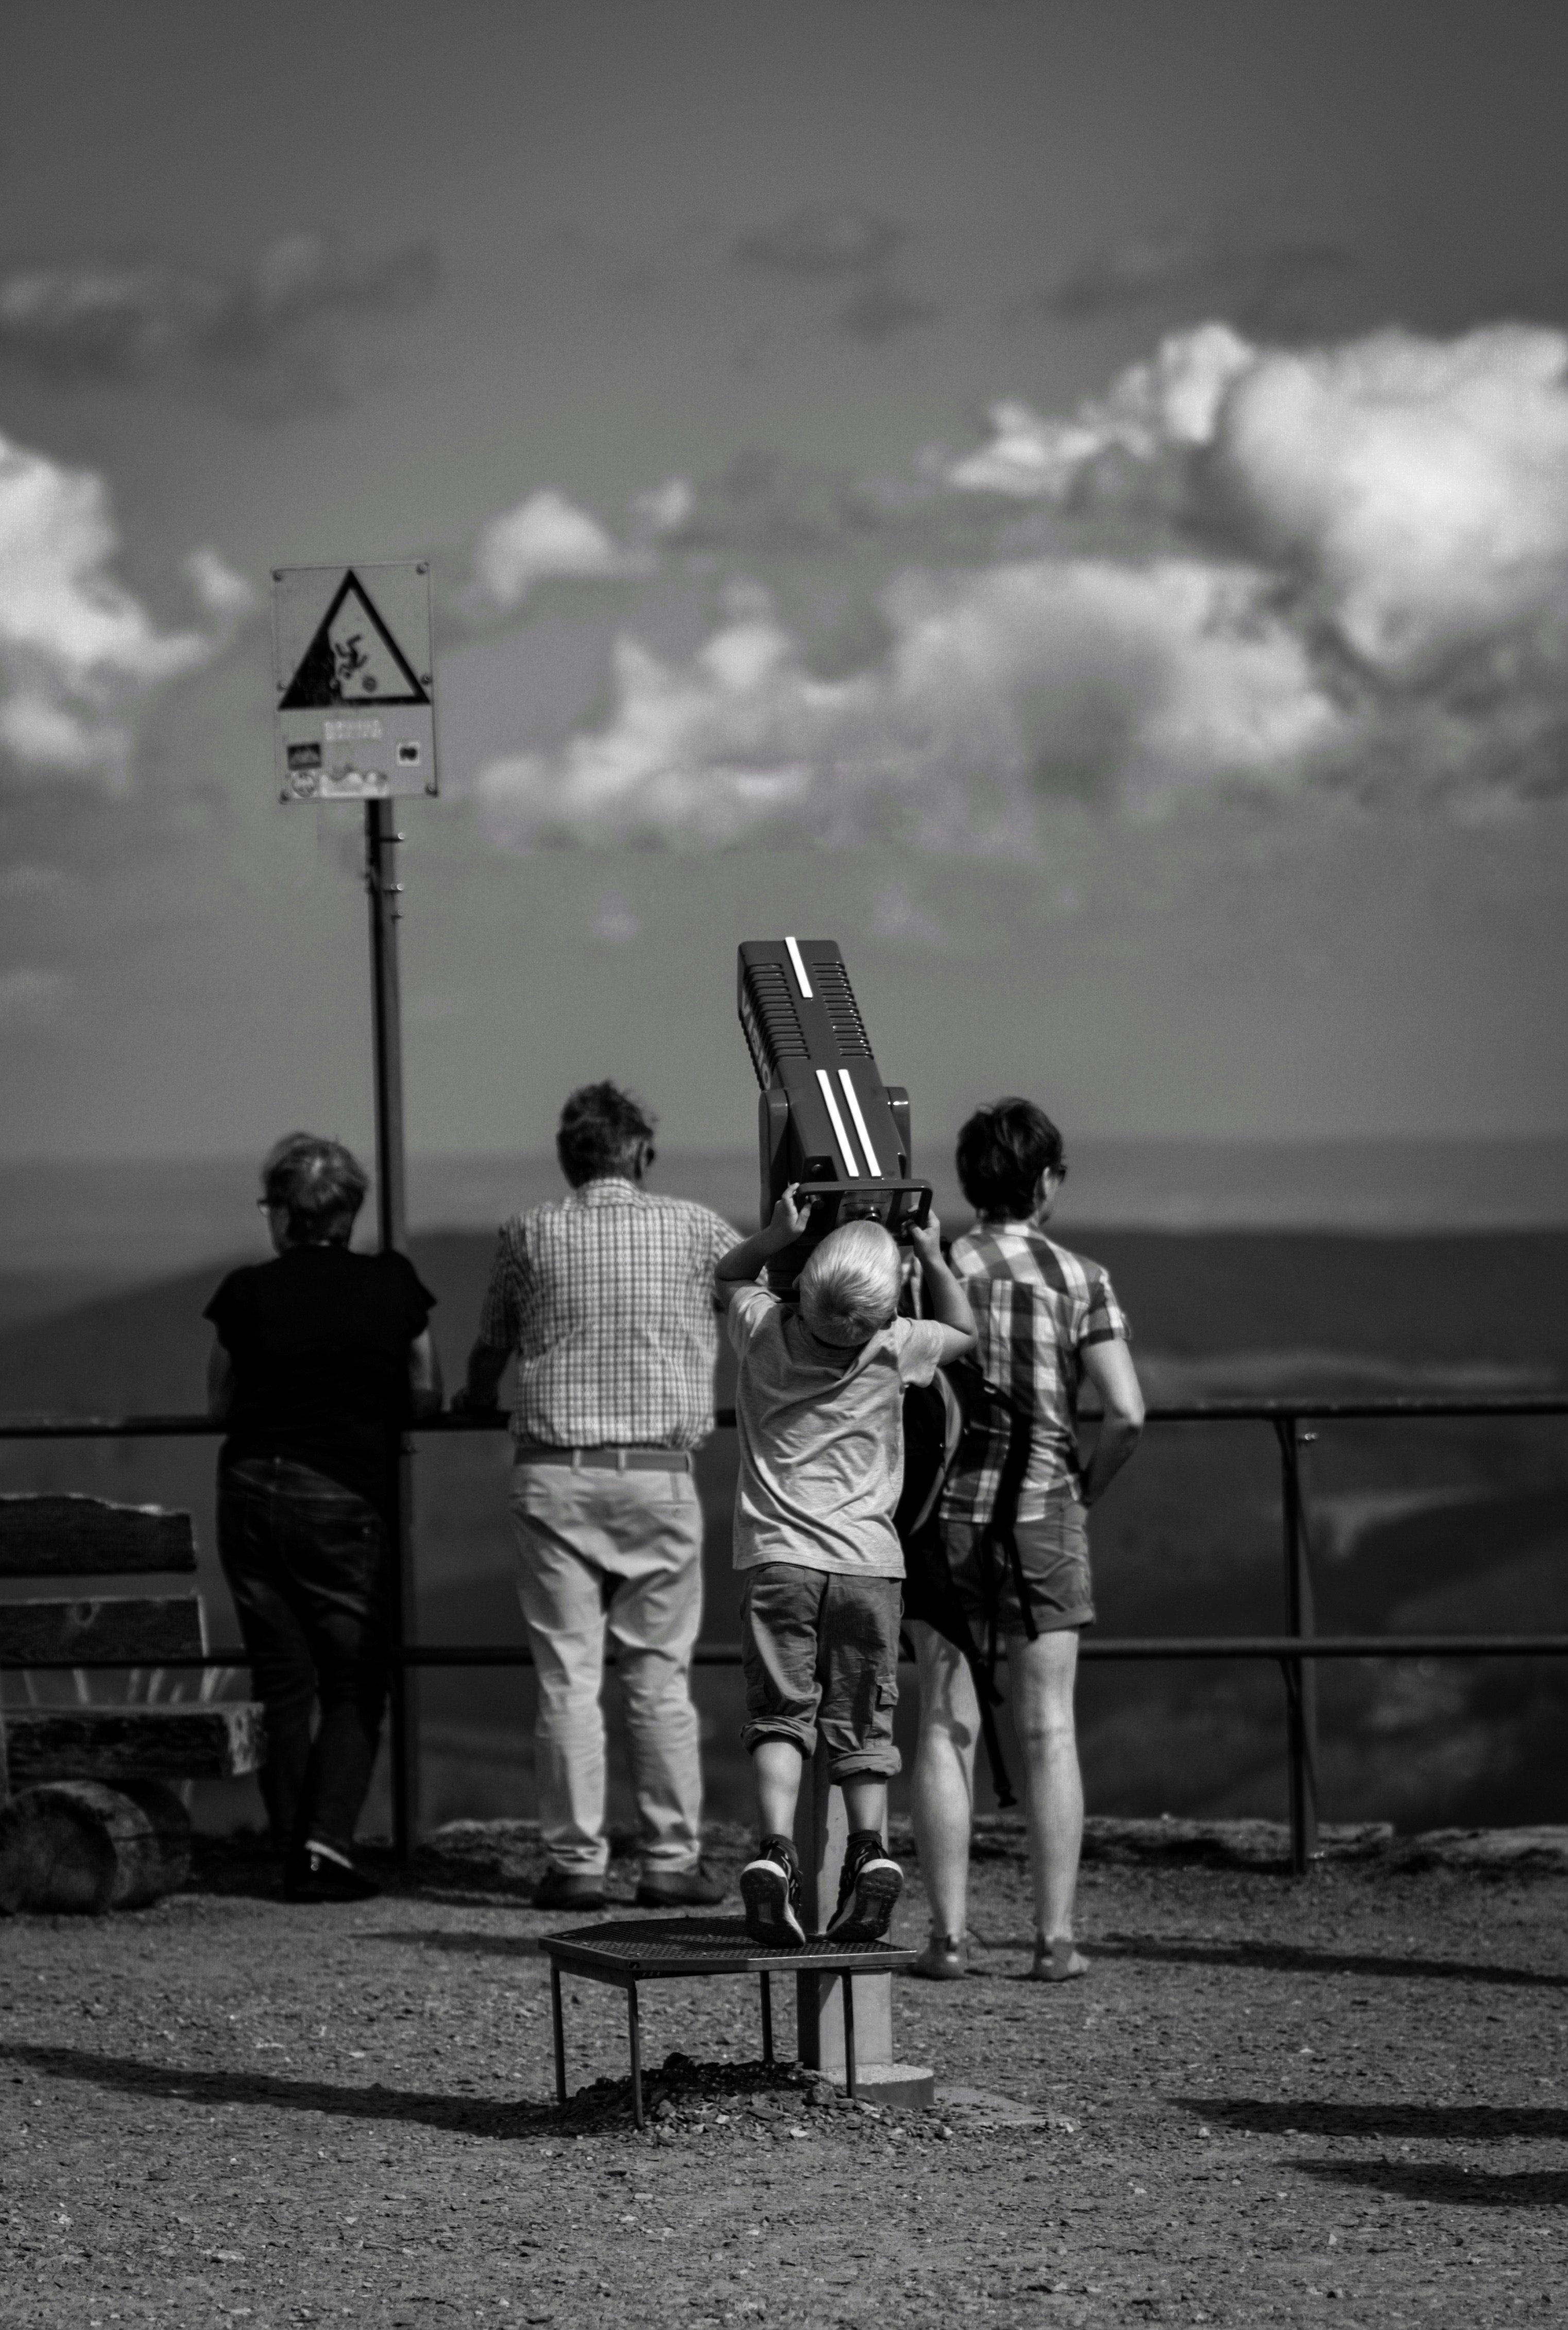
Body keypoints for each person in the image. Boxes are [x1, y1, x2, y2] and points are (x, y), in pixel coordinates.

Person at [455, 1082, 738, 1911]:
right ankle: (669, 1860)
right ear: (642, 1153)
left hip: (555, 1472)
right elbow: (761, 1306)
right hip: (658, 1476)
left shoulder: (529, 1231)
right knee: (659, 1676)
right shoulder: (695, 1229)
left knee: (568, 1678)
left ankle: (576, 1862)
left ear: (567, 1159)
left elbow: (488, 1352)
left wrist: (474, 1400)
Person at [908, 1098, 1143, 1982]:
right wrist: (1081, 1488)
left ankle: (949, 1938)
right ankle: (1053, 1939)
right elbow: (1126, 1412)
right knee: (1048, 1729)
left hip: (943, 1518)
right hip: (1043, 1512)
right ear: (1046, 1181)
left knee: (941, 1724)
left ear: (971, 1181)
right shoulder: (1083, 1278)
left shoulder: (932, 1267)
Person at [716, 1192, 976, 1945]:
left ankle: (774, 1854)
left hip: (778, 1562)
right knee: (863, 1720)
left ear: (803, 1288)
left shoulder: (763, 1327)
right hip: (868, 1565)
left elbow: (727, 1276)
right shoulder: (897, 1345)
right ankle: (868, 1852)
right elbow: (966, 1329)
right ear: (882, 1310)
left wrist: (775, 1234)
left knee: (780, 1712)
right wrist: (928, 1252)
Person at [205, 1133, 441, 1902]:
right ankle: (322, 1847)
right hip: (343, 1492)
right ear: (349, 1210)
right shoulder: (391, 1284)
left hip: (247, 1486)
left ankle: (287, 1839)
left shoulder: (246, 1291)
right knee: (353, 1679)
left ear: (284, 1214)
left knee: (282, 1679)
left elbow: (221, 1400)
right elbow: (424, 1388)